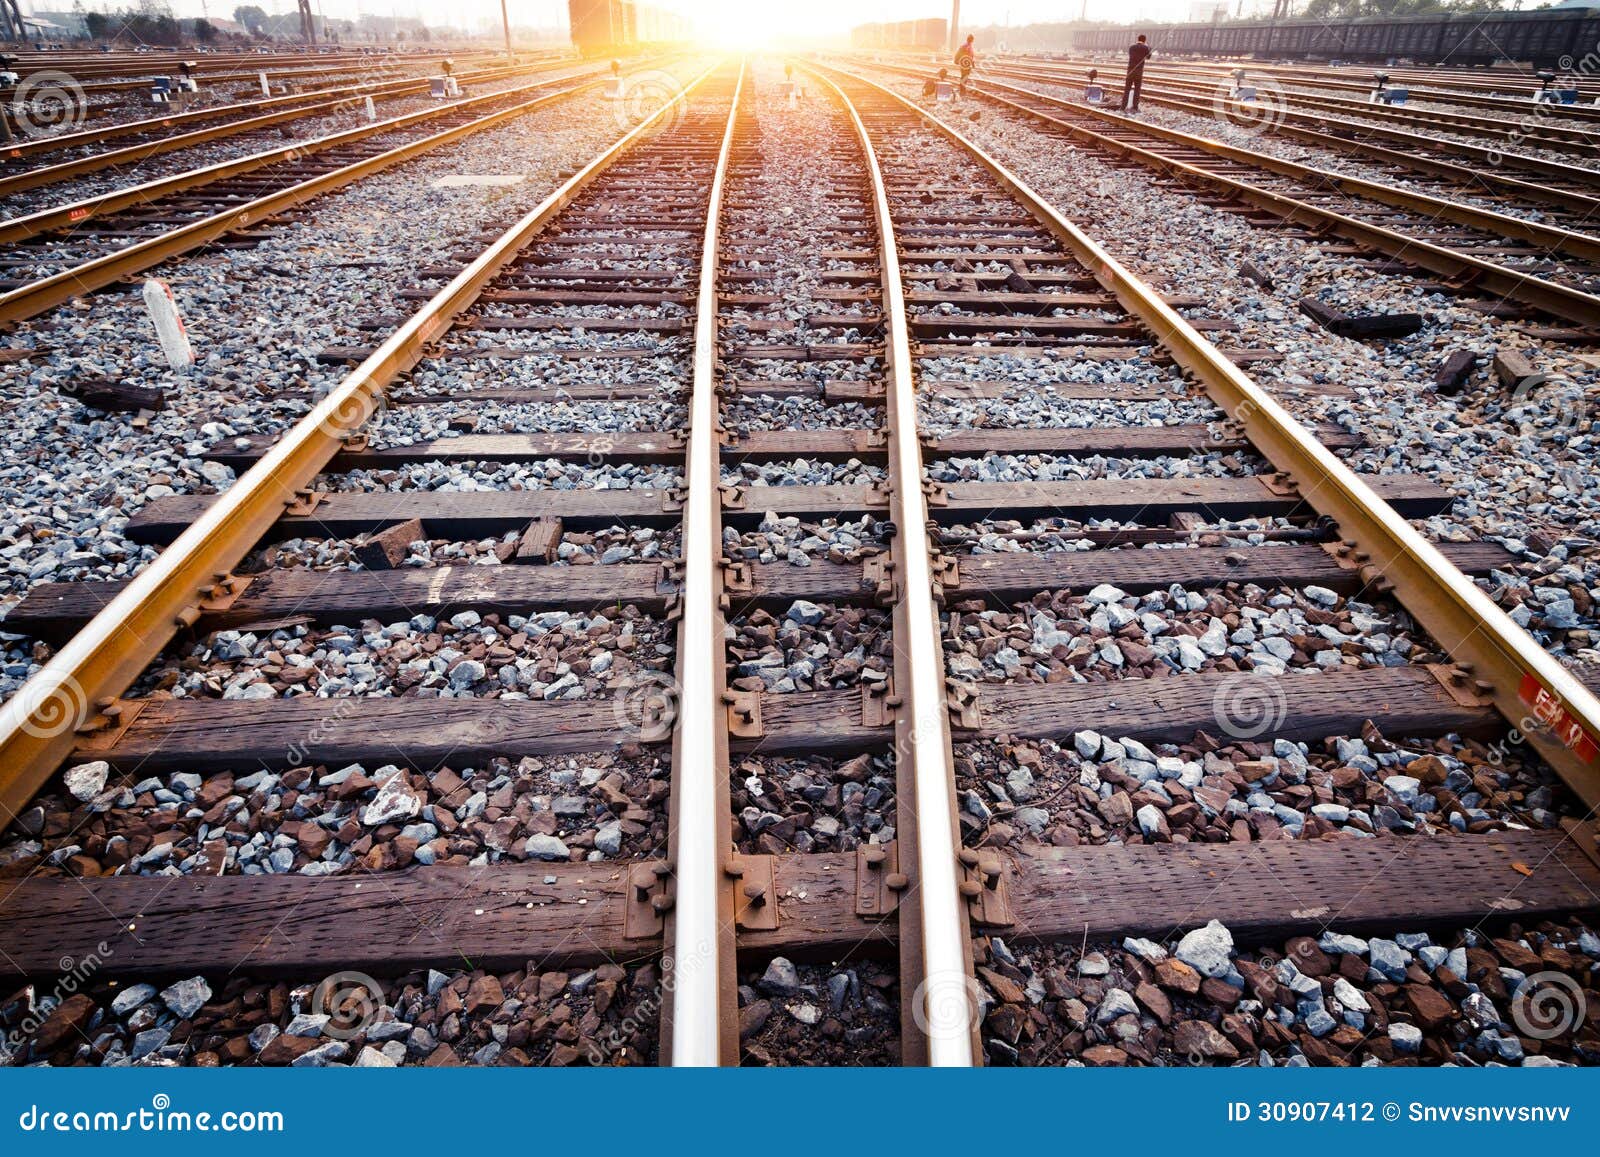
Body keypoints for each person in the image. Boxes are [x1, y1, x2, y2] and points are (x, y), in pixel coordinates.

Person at [1119, 34, 1151, 113]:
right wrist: (1148, 47)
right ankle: (1135, 107)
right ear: (1144, 40)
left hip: (1130, 71)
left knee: (1127, 89)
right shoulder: (1145, 48)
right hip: (1138, 72)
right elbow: (1148, 57)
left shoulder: (1131, 47)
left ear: (1138, 39)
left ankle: (1123, 106)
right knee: (1137, 90)